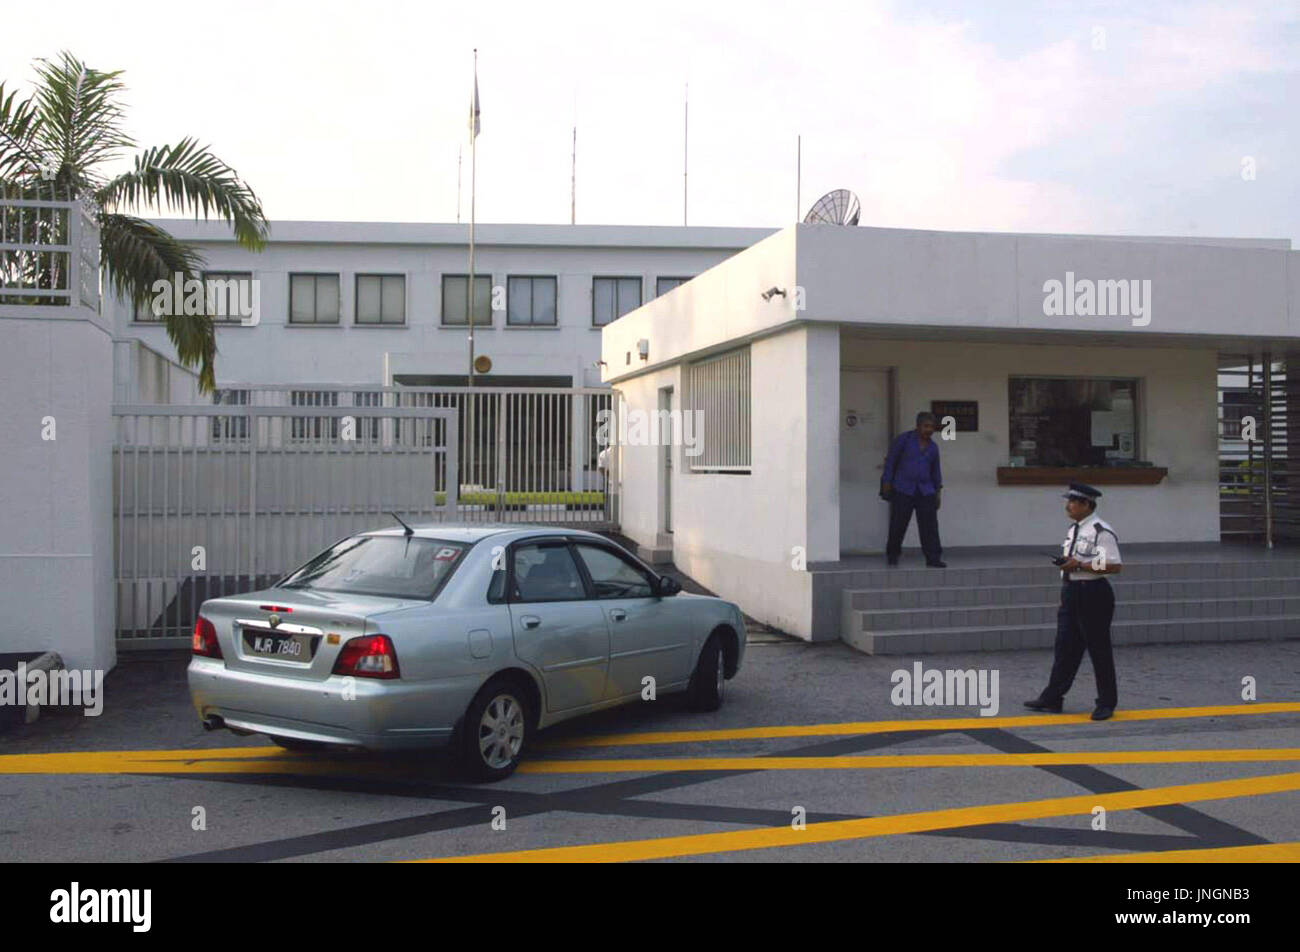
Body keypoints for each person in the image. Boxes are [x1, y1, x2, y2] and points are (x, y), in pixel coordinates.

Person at [1025, 483, 1123, 721]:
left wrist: (1079, 565)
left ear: (1087, 504)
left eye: (1073, 502)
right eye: (1068, 501)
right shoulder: (1074, 529)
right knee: (1065, 647)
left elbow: (1113, 565)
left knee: (1098, 649)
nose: (1068, 506)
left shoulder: (1101, 531)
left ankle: (1106, 702)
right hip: (1072, 591)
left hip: (1093, 592)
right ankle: (1053, 697)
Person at [882, 411, 945, 567]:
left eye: (932, 427)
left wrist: (938, 491)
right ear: (918, 426)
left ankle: (933, 558)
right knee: (898, 524)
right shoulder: (903, 441)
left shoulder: (933, 447)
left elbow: (936, 470)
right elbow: (890, 462)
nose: (929, 430)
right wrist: (887, 482)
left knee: (929, 526)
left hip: (926, 490)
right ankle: (893, 555)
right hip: (903, 488)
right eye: (926, 426)